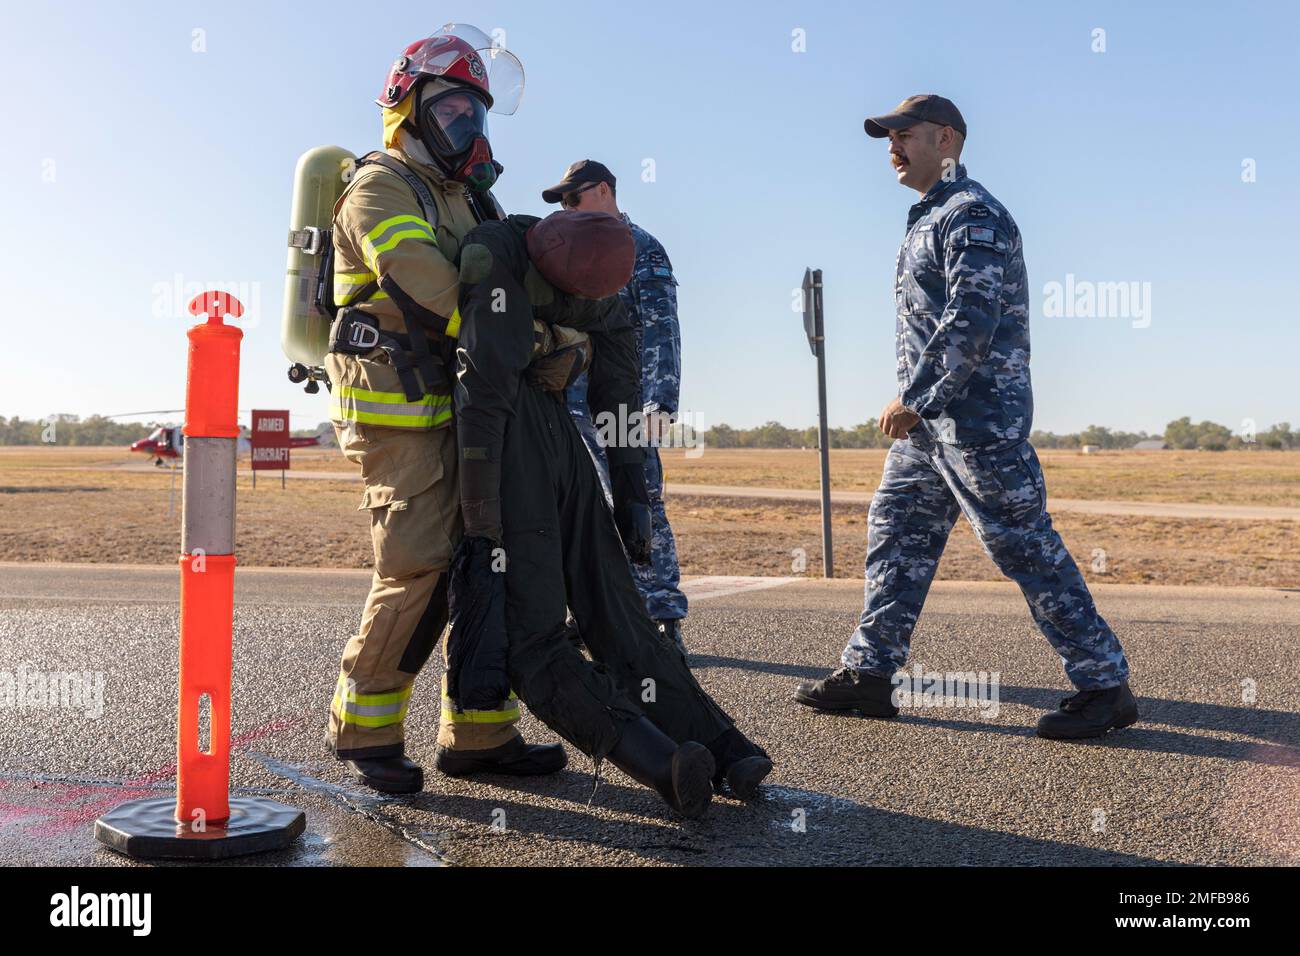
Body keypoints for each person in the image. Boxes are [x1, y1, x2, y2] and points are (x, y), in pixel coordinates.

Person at [794, 95, 1139, 739]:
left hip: (979, 425)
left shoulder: (972, 214)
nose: (891, 146)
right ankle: (870, 674)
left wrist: (917, 396)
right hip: (929, 434)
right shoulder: (927, 217)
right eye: (886, 137)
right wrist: (921, 411)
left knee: (1024, 548)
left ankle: (1104, 685)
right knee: (895, 535)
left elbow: (969, 322)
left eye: (904, 135)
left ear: (946, 138)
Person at [447, 210, 773, 818]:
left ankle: (664, 763)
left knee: (536, 643)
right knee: (621, 622)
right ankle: (731, 751)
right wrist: (628, 503)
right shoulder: (502, 258)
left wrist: (484, 526)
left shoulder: (588, 289)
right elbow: (610, 408)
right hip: (551, 446)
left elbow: (489, 402)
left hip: (523, 447)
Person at [323, 26, 564, 794]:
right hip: (399, 410)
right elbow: (432, 288)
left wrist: (558, 331)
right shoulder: (380, 185)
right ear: (408, 103)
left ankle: (481, 732)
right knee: (420, 562)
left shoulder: (469, 195)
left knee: (487, 562)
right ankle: (364, 728)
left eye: (477, 113)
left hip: (465, 405)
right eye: (454, 107)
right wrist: (531, 341)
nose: (469, 126)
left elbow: (510, 286)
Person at [543, 161, 690, 649]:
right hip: (573, 401)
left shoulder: (642, 249)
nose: (566, 209)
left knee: (640, 501)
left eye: (572, 198)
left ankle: (661, 617)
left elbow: (662, 326)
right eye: (561, 203)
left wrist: (660, 402)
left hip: (626, 403)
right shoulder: (569, 252)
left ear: (603, 191)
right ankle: (598, 614)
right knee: (587, 507)